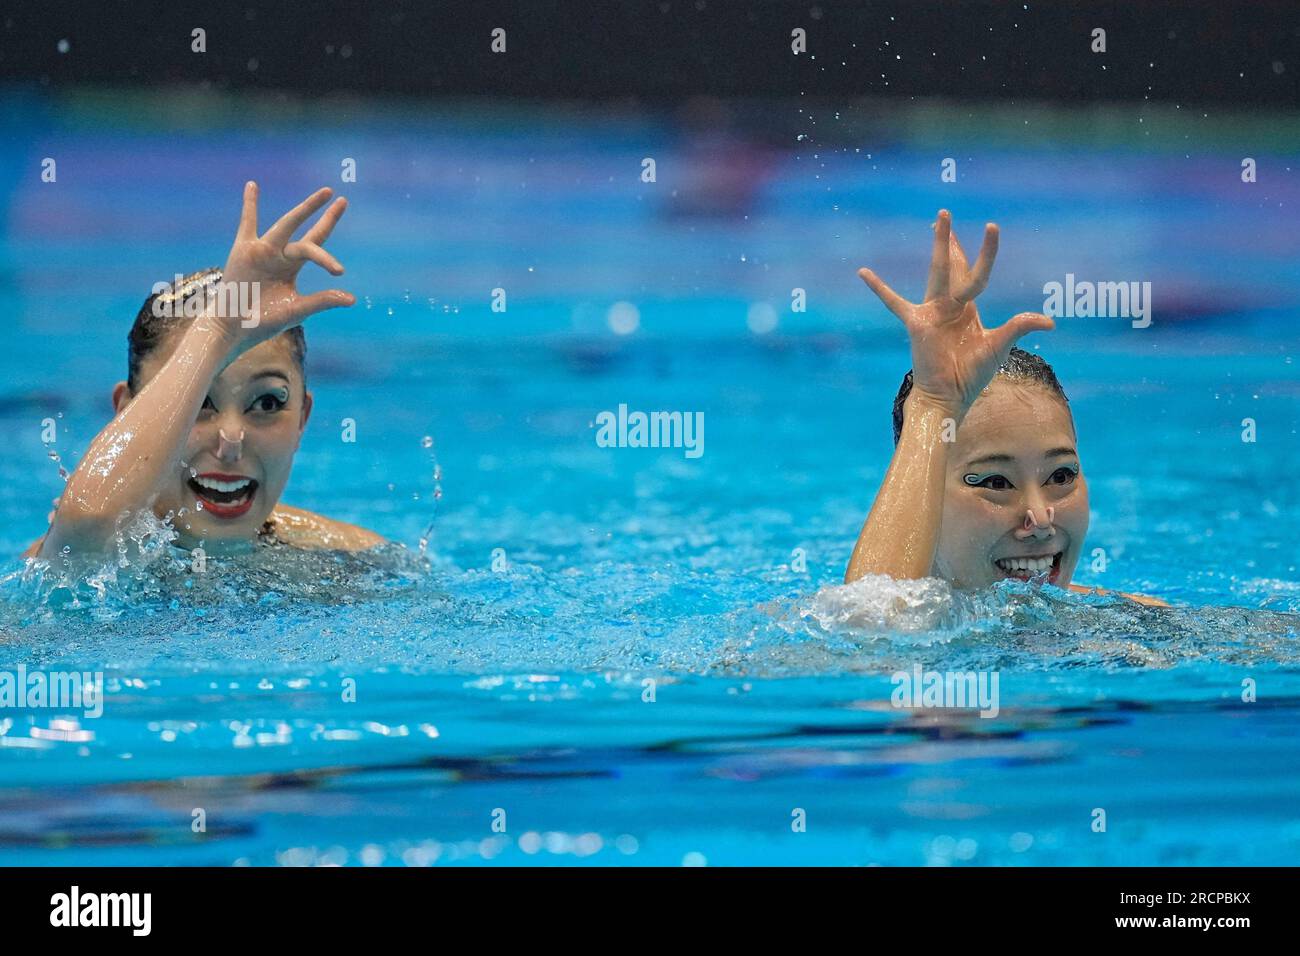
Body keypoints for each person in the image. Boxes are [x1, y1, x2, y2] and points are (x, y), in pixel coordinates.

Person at [25, 183, 384, 560]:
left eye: (266, 403)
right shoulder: (88, 555)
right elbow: (89, 520)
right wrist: (218, 333)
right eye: (198, 401)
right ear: (126, 413)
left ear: (302, 420)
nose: (231, 439)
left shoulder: (351, 558)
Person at [846, 209, 1166, 607]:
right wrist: (935, 405)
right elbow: (869, 628)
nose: (1040, 518)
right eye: (996, 482)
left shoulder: (1136, 624)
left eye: (1061, 474)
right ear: (923, 496)